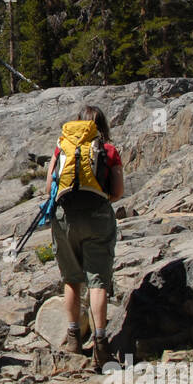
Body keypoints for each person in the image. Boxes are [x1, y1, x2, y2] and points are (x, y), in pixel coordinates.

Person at [43, 104, 124, 367]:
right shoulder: (108, 150)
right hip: (98, 217)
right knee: (98, 282)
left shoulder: (61, 147)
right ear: (102, 125)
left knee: (72, 280)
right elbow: (118, 191)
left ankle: (74, 339)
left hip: (64, 218)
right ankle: (101, 346)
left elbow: (48, 188)